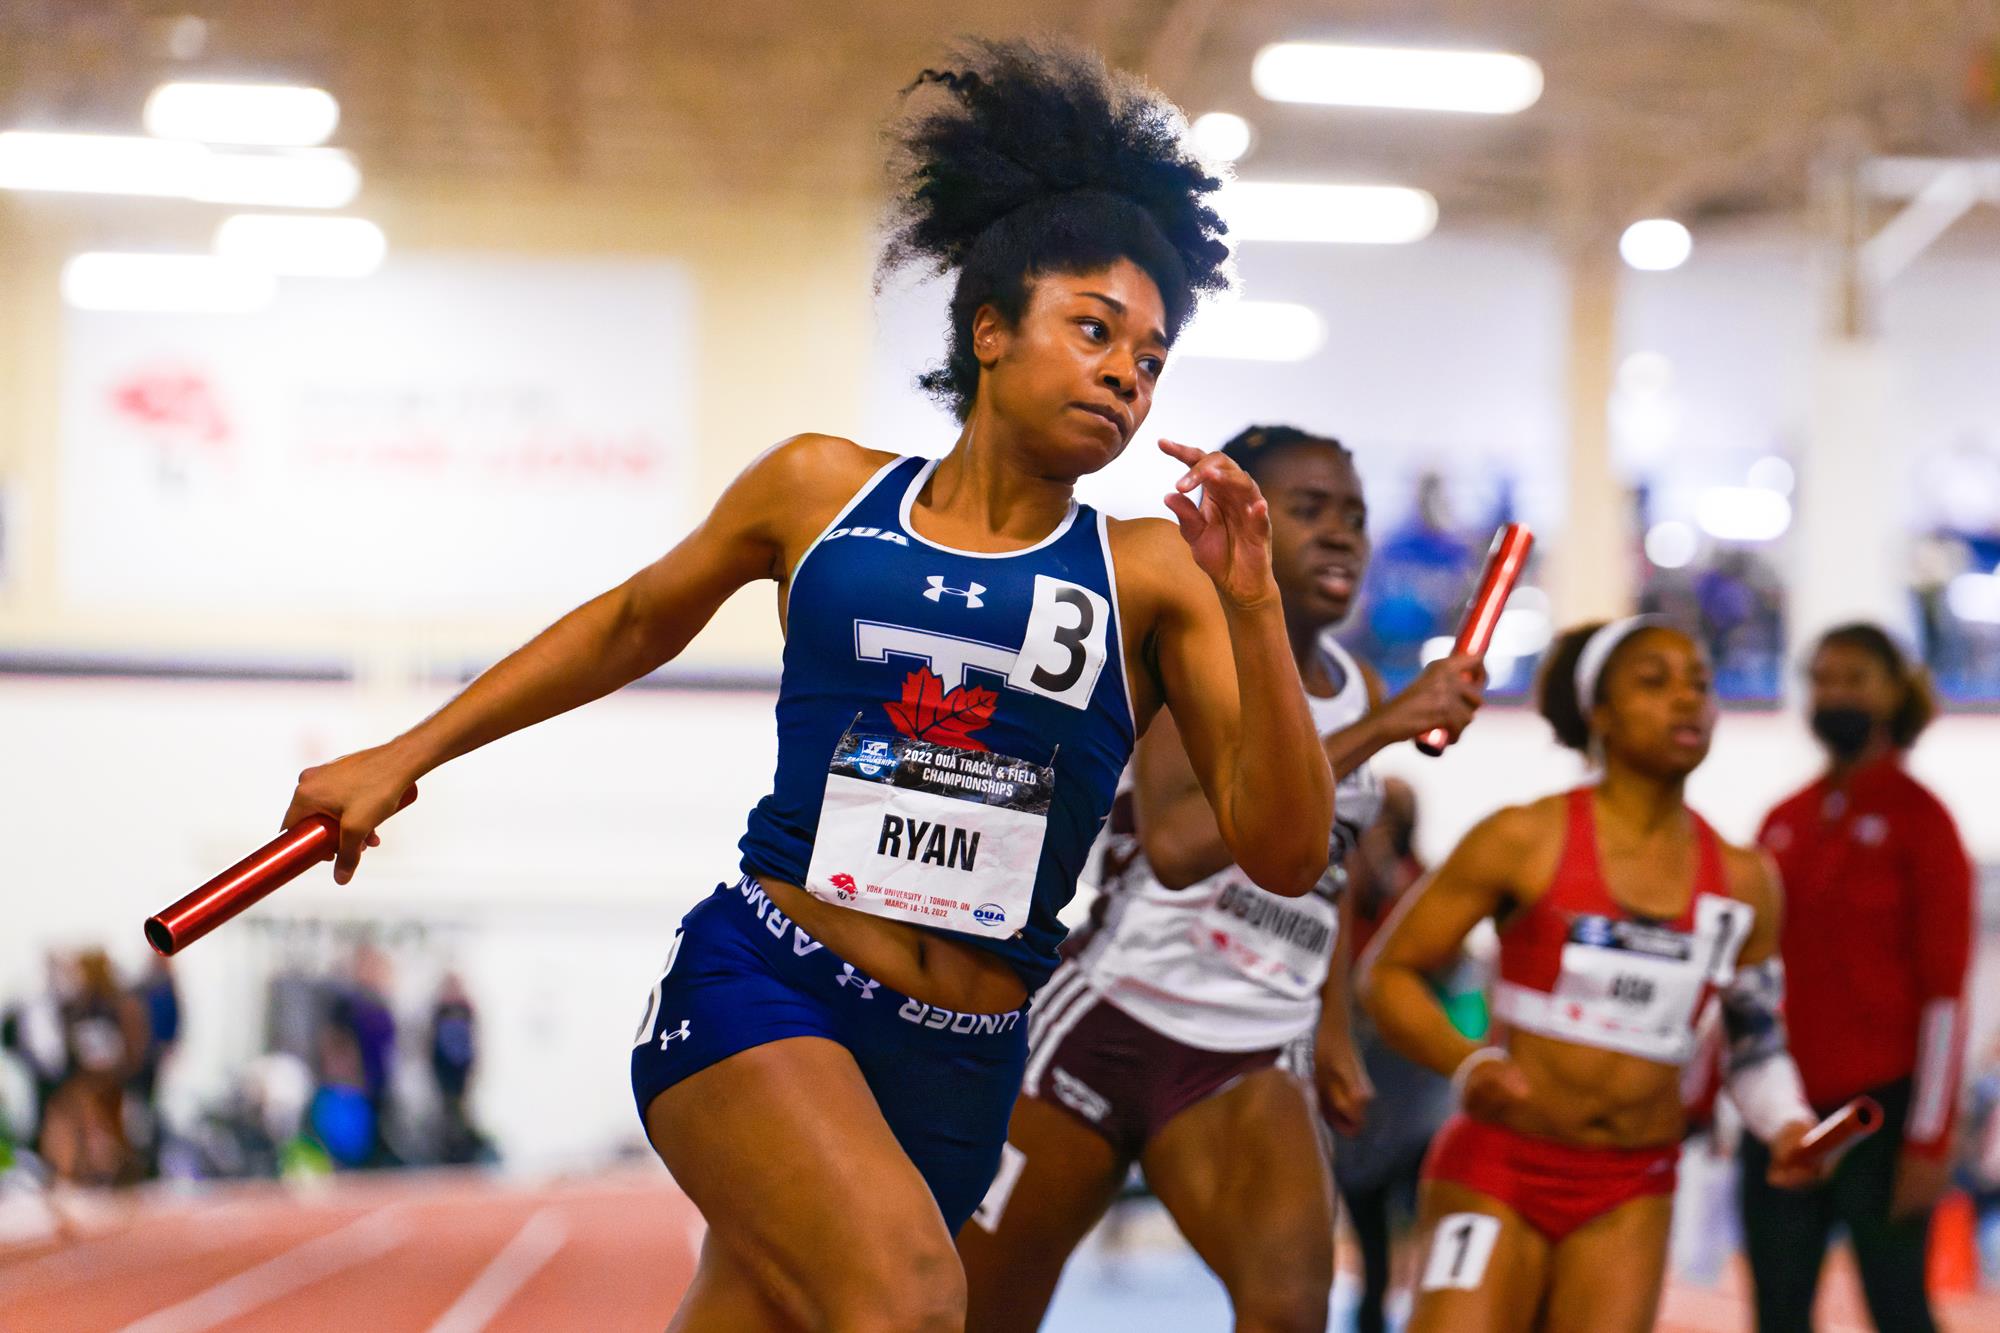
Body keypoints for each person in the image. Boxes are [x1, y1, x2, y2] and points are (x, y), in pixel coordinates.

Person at [282, 38, 1335, 1332]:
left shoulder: (1156, 574)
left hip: (960, 1062)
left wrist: (1256, 602)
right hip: (770, 988)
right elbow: (628, 622)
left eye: (1155, 358)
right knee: (906, 1301)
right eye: (1096, 329)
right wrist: (407, 753)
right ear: (991, 331)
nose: (1128, 372)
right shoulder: (821, 491)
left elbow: (1284, 848)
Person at [957, 425, 1484, 1332]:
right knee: (976, 1310)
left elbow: (1329, 867)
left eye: (1355, 515)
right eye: (1310, 509)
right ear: (1246, 520)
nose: (1342, 535)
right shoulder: (1192, 645)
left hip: (1252, 1048)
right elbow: (1179, 842)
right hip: (1108, 1016)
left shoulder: (1357, 681)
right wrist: (1385, 728)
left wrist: (1332, 1031)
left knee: (1292, 1310)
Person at [1361, 619, 1821, 1333]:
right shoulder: (1522, 836)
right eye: (1654, 681)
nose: (1686, 700)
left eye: (1699, 682)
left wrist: (1788, 1123)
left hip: (1632, 1186)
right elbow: (1387, 974)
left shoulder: (1745, 879)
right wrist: (1468, 1061)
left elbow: (1755, 1038)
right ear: (1597, 711)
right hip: (1501, 1165)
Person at [1740, 622, 1973, 1333]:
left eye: (1854, 678)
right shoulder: (1783, 819)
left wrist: (1929, 1138)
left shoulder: (1922, 821)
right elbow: (1747, 974)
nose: (1835, 693)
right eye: (1824, 678)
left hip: (1883, 1113)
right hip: (1782, 1112)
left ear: (1892, 691)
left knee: (1899, 1307)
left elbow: (1944, 995)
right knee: (1778, 1310)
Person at [1335, 777, 1461, 1333]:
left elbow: (1447, 964)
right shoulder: (1346, 877)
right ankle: (1371, 1308)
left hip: (1413, 1076)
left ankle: (1429, 1312)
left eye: (1399, 814)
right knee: (1367, 1218)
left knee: (1424, 1205)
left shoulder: (1427, 883)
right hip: (1360, 1067)